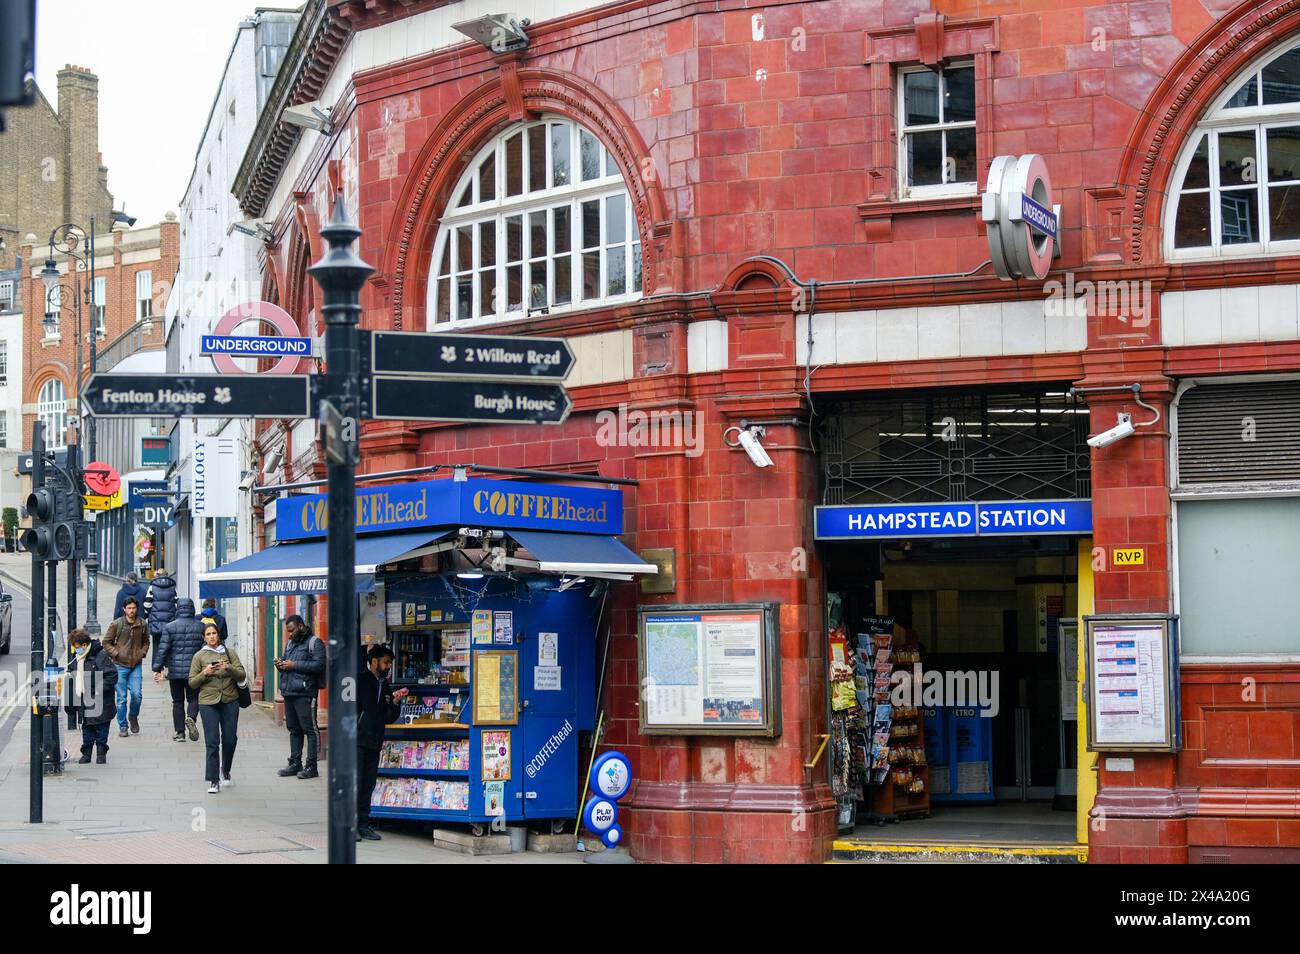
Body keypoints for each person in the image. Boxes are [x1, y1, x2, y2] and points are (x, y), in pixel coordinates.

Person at [356, 644, 408, 841]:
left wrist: (395, 703)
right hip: (358, 740)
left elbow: (387, 717)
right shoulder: (360, 681)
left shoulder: (384, 685)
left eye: (390, 664)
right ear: (375, 661)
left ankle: (363, 824)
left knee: (368, 784)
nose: (388, 667)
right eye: (386, 663)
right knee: (357, 783)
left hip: (375, 741)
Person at [189, 621, 246, 794]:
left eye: (214, 633)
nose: (212, 637)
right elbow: (192, 682)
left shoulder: (230, 653)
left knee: (230, 739)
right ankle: (214, 780)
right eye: (208, 634)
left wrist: (229, 667)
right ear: (204, 638)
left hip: (230, 700)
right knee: (212, 742)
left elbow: (242, 674)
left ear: (218, 635)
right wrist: (204, 673)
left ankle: (225, 769)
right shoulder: (199, 656)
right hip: (208, 702)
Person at [275, 614, 325, 779]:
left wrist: (294, 664)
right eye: (288, 631)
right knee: (294, 729)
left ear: (301, 626)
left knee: (310, 730)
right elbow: (287, 664)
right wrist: (281, 664)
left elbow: (319, 665)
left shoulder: (315, 643)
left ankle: (312, 766)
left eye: (292, 630)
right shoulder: (290, 643)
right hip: (289, 692)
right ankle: (295, 763)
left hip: (305, 693)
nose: (289, 634)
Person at [152, 597, 204, 741]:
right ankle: (191, 717)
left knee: (177, 701)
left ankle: (180, 733)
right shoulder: (200, 626)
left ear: (178, 609)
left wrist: (157, 667)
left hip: (175, 671)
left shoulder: (170, 627)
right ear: (192, 609)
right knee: (194, 698)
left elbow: (163, 649)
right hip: (194, 671)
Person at [64, 629, 118, 764]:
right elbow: (72, 670)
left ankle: (101, 754)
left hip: (101, 700)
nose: (75, 650)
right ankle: (87, 754)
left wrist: (98, 689)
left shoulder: (101, 655)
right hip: (84, 699)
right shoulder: (76, 657)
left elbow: (112, 675)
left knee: (102, 728)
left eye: (77, 647)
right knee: (87, 727)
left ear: (84, 645)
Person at [101, 595, 149, 738]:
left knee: (136, 695)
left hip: (136, 664)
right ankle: (123, 726)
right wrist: (116, 653)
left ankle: (133, 716)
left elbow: (146, 641)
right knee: (121, 698)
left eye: (134, 608)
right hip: (119, 665)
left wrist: (142, 653)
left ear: (137, 609)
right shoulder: (117, 624)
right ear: (124, 609)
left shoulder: (142, 624)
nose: (132, 611)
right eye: (129, 608)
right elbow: (106, 642)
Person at [143, 571, 178, 640]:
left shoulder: (152, 587)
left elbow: (147, 605)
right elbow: (177, 604)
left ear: (157, 575)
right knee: (168, 646)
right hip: (170, 622)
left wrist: (151, 613)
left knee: (156, 645)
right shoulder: (173, 588)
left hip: (155, 623)